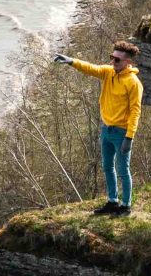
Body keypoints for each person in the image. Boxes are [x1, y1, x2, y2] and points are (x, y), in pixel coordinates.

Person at [53, 41, 143, 216]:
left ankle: (126, 206)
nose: (112, 62)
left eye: (117, 59)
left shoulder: (133, 83)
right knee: (107, 166)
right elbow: (90, 68)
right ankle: (112, 201)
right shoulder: (108, 72)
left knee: (123, 169)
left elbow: (135, 111)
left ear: (128, 62)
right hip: (106, 129)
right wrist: (71, 61)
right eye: (112, 58)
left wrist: (129, 137)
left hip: (122, 132)